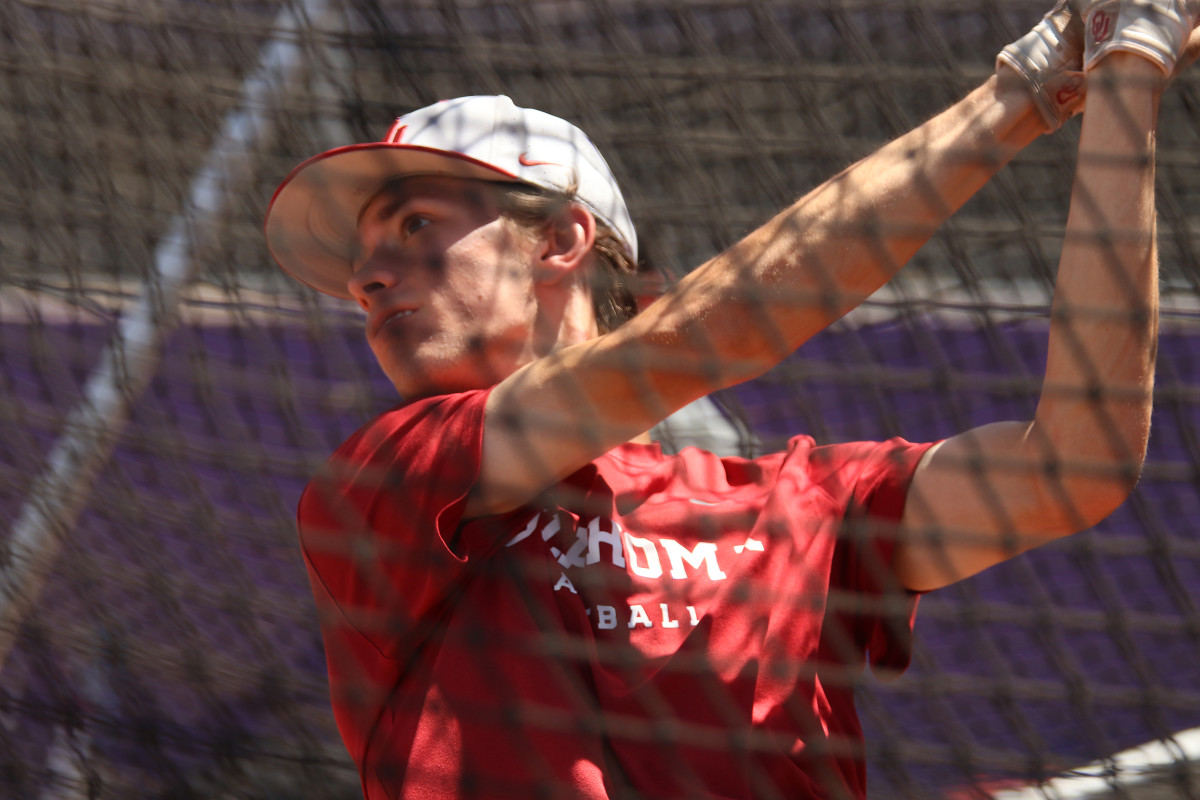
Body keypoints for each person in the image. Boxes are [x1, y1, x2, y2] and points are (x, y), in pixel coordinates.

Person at [264, 2, 1198, 798]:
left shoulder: (798, 505)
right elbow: (705, 339)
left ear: (560, 242)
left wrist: (1128, 72)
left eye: (414, 225)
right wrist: (1026, 88)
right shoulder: (387, 477)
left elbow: (1077, 465)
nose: (366, 279)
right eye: (360, 258)